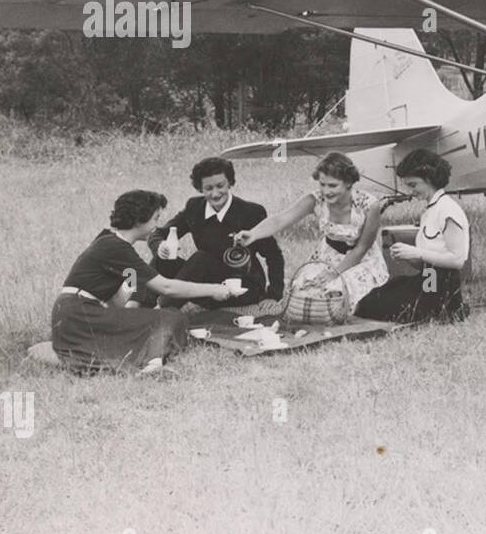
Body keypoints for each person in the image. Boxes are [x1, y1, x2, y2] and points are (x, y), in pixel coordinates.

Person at [52, 190, 245, 374]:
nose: (156, 226)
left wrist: (133, 313)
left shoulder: (111, 243)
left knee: (156, 317)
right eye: (155, 219)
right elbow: (166, 287)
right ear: (138, 220)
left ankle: (142, 355)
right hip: (79, 314)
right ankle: (152, 364)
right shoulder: (115, 247)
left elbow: (123, 293)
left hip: (73, 314)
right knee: (169, 317)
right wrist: (214, 289)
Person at [233, 151, 389, 312]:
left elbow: (362, 248)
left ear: (348, 183)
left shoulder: (369, 205)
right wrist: (253, 234)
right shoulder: (315, 199)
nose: (326, 191)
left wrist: (335, 273)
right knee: (302, 291)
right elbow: (281, 219)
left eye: (333, 185)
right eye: (322, 184)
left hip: (360, 260)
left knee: (336, 293)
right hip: (326, 256)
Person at [148, 156, 284, 308]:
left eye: (220, 186)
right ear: (200, 188)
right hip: (206, 282)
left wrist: (273, 295)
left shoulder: (251, 211)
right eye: (208, 188)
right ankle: (136, 306)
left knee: (201, 258)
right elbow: (159, 233)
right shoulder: (194, 207)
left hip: (241, 286)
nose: (215, 193)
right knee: (161, 259)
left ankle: (164, 309)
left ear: (230, 183)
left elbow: (274, 255)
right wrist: (160, 246)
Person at [355, 149, 469, 324]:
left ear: (429, 179)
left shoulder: (448, 210)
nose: (410, 191)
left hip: (442, 284)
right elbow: (428, 261)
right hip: (429, 278)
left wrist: (416, 253)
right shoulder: (431, 209)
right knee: (372, 298)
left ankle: (443, 309)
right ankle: (432, 308)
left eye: (413, 185)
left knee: (374, 307)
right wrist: (408, 256)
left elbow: (457, 260)